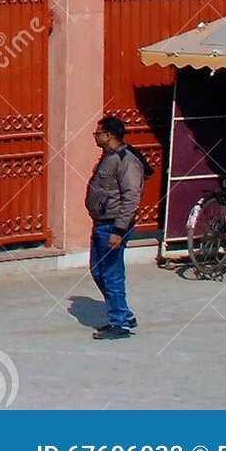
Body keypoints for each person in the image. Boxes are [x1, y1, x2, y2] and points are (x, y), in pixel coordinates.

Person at [85, 114, 146, 340]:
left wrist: (119, 231)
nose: (96, 137)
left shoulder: (126, 160)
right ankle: (124, 313)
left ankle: (119, 323)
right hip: (101, 222)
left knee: (111, 273)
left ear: (108, 135)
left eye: (98, 133)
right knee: (98, 270)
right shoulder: (108, 157)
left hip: (113, 225)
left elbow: (131, 197)